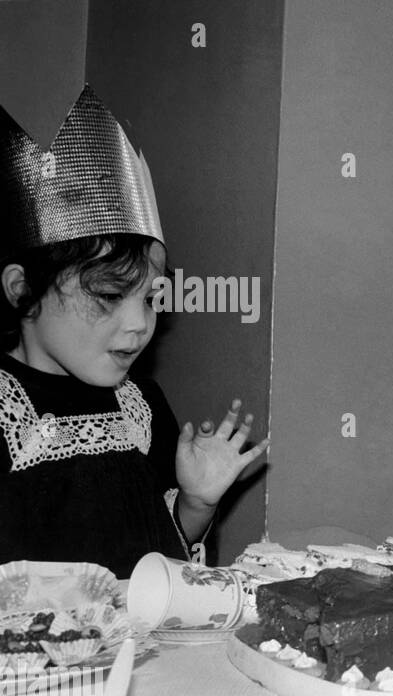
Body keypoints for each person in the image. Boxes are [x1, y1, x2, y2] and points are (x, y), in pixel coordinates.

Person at [0, 86, 265, 577]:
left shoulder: (141, 406)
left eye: (150, 298)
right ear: (22, 290)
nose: (140, 324)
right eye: (107, 296)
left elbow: (158, 565)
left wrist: (196, 502)